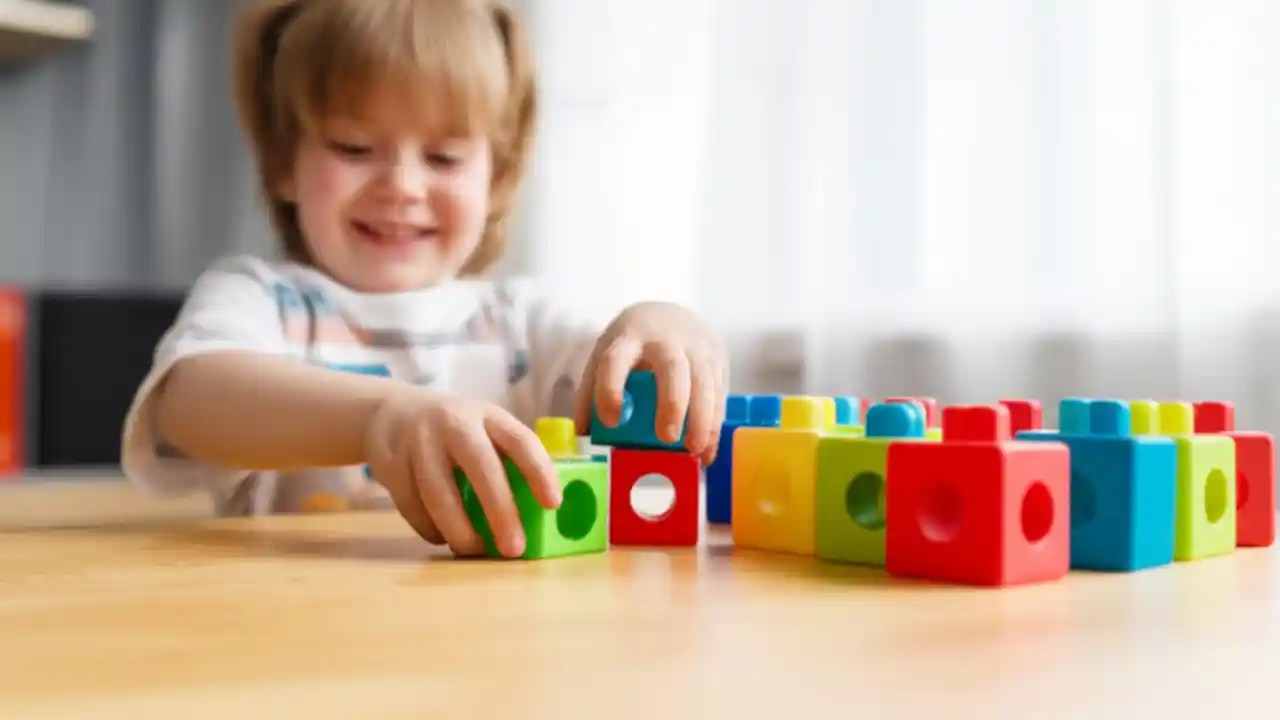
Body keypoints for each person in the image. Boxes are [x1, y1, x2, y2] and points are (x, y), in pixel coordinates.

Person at [119, 0, 728, 559]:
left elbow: (618, 377)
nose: (402, 186)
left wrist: (663, 324)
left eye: (443, 158)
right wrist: (382, 417)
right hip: (291, 644)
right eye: (354, 147)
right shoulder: (262, 301)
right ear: (283, 163)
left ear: (498, 178)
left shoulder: (517, 322)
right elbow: (188, 402)